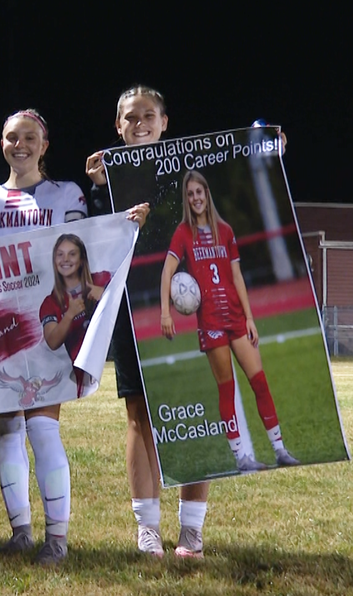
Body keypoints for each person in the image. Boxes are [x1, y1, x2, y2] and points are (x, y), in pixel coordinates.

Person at [0, 109, 146, 565]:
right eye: (10, 137)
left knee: (42, 428)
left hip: (49, 326)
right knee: (7, 430)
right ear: (0, 143)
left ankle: (57, 537)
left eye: (29, 137)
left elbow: (82, 251)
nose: (18, 145)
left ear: (45, 145)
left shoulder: (66, 193)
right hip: (1, 331)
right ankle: (21, 530)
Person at [86, 85, 209, 559]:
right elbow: (95, 246)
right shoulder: (106, 177)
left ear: (164, 122)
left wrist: (266, 152)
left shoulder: (189, 170)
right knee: (139, 414)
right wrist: (103, 195)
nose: (140, 124)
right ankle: (148, 530)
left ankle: (192, 531)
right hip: (131, 309)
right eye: (130, 117)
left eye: (148, 115)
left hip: (187, 302)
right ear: (118, 127)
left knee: (194, 411)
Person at [161, 169, 300, 475]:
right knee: (227, 389)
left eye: (200, 192)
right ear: (186, 200)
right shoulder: (183, 233)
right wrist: (165, 312)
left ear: (207, 194)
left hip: (236, 317)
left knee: (259, 382)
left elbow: (236, 275)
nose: (196, 198)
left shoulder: (225, 230)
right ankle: (242, 458)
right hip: (210, 321)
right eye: (190, 194)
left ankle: (280, 450)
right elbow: (167, 272)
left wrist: (250, 318)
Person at [39, 234, 106, 398]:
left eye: (72, 254)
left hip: (110, 366)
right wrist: (69, 315)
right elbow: (52, 341)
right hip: (84, 379)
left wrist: (105, 295)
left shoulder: (102, 279)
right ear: (54, 261)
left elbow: (128, 309)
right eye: (60, 254)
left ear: (82, 259)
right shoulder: (50, 302)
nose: (65, 259)